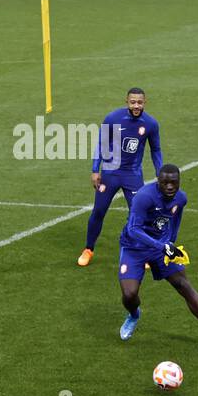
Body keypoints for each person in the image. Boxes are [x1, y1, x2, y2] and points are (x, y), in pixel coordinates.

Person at [117, 165, 198, 355]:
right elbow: (133, 230)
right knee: (129, 294)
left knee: (184, 286)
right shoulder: (144, 197)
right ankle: (134, 315)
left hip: (162, 247)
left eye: (174, 182)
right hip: (134, 247)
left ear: (179, 181)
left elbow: (175, 219)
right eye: (165, 182)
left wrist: (171, 242)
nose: (170, 186)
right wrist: (162, 246)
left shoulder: (181, 198)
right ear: (158, 181)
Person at [78, 87, 163, 267]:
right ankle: (88, 249)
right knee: (99, 211)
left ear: (145, 102)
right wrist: (95, 169)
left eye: (140, 102)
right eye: (133, 102)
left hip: (132, 175)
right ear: (127, 102)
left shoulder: (150, 124)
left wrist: (159, 171)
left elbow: (155, 149)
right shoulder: (114, 119)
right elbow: (101, 144)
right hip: (110, 173)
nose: (136, 105)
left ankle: (142, 252)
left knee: (139, 215)